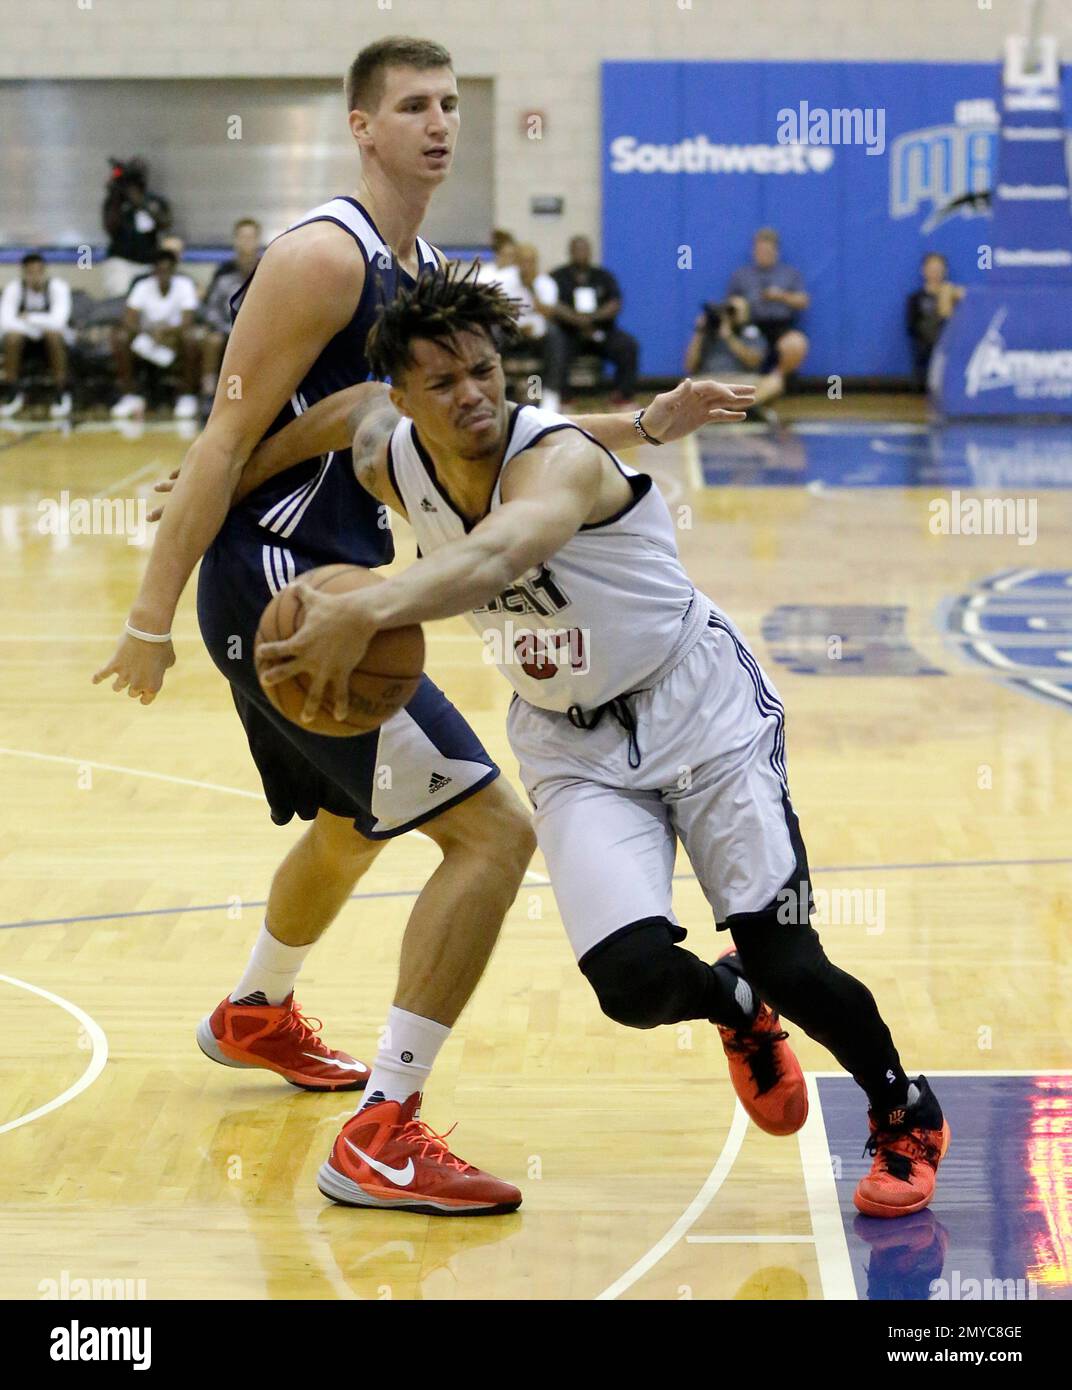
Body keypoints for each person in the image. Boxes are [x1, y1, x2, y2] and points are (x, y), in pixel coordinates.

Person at [93, 36, 751, 1217]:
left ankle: (256, 1010)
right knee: (493, 834)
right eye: (412, 106)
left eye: (449, 103)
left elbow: (487, 430)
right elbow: (223, 439)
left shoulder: (426, 265)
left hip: (342, 572)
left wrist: (644, 423)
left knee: (358, 820)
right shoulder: (319, 257)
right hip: (290, 585)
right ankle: (382, 1130)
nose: (438, 123)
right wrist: (148, 616)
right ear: (360, 125)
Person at [256, 268, 951, 1222]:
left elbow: (498, 554)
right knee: (628, 983)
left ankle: (903, 1109)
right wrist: (232, 473)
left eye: (487, 372)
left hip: (698, 711)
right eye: (446, 383)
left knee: (789, 957)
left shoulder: (561, 464)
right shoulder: (391, 450)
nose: (474, 396)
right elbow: (344, 415)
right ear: (406, 398)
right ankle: (737, 1011)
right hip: (568, 740)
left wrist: (363, 607)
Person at [546, 235, 639, 406]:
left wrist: (592, 318)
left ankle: (622, 395)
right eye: (577, 249)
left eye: (585, 249)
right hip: (570, 332)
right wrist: (576, 319)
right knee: (555, 346)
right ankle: (564, 397)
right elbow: (551, 304)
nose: (581, 253)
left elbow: (615, 303)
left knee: (628, 345)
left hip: (600, 331)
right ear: (570, 252)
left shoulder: (603, 276)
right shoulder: (557, 277)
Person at [110, 249, 200, 419]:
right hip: (147, 337)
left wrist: (166, 332)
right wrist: (150, 332)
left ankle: (187, 396)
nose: (162, 274)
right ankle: (129, 396)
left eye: (167, 270)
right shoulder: (142, 286)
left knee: (191, 338)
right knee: (120, 337)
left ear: (174, 270)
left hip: (175, 337)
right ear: (153, 271)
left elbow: (187, 321)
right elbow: (129, 319)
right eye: (159, 270)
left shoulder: (185, 285)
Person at [726, 229, 809, 391]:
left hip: (780, 327)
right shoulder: (741, 275)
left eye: (767, 251)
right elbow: (731, 305)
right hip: (751, 327)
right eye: (759, 250)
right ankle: (747, 384)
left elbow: (803, 301)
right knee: (742, 343)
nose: (763, 254)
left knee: (796, 343)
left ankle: (775, 381)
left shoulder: (789, 274)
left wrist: (781, 296)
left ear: (776, 251)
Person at [199, 218, 263, 417]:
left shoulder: (269, 270)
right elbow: (211, 309)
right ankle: (208, 395)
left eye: (251, 237)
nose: (246, 242)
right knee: (212, 341)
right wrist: (229, 329)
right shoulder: (224, 274)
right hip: (226, 330)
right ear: (235, 241)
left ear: (258, 241)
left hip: (261, 334)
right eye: (242, 237)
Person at [683, 294, 783, 419]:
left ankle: (741, 408)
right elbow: (689, 366)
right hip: (712, 380)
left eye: (737, 310)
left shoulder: (751, 333)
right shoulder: (707, 333)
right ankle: (722, 408)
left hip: (743, 381)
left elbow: (754, 362)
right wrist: (699, 331)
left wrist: (729, 336)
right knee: (685, 385)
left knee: (774, 381)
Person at [0, 252, 74, 419]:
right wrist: (36, 328)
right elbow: (5, 322)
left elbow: (59, 322)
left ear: (44, 271)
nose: (35, 277)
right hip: (25, 342)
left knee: (52, 334)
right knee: (12, 337)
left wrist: (30, 318)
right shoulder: (14, 288)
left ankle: (61, 392)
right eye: (30, 273)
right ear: (23, 273)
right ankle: (12, 392)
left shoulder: (58, 287)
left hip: (55, 342)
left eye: (38, 272)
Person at [100, 157, 173, 298]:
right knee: (119, 297)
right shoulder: (115, 201)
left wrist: (142, 204)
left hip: (149, 262)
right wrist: (117, 195)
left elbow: (166, 222)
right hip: (121, 261)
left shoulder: (154, 201)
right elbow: (110, 227)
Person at [501, 243, 561, 410]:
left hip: (536, 335)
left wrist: (531, 288)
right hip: (509, 330)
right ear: (516, 263)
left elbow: (549, 313)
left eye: (530, 262)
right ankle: (497, 391)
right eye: (523, 261)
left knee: (555, 335)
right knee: (491, 332)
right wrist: (515, 326)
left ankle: (549, 392)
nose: (527, 266)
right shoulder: (504, 280)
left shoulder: (546, 283)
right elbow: (496, 310)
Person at [906, 253, 964, 390]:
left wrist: (955, 299)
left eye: (938, 269)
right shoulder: (915, 299)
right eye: (931, 268)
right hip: (927, 359)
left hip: (951, 361)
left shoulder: (954, 295)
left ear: (945, 271)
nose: (935, 273)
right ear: (923, 270)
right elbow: (914, 329)